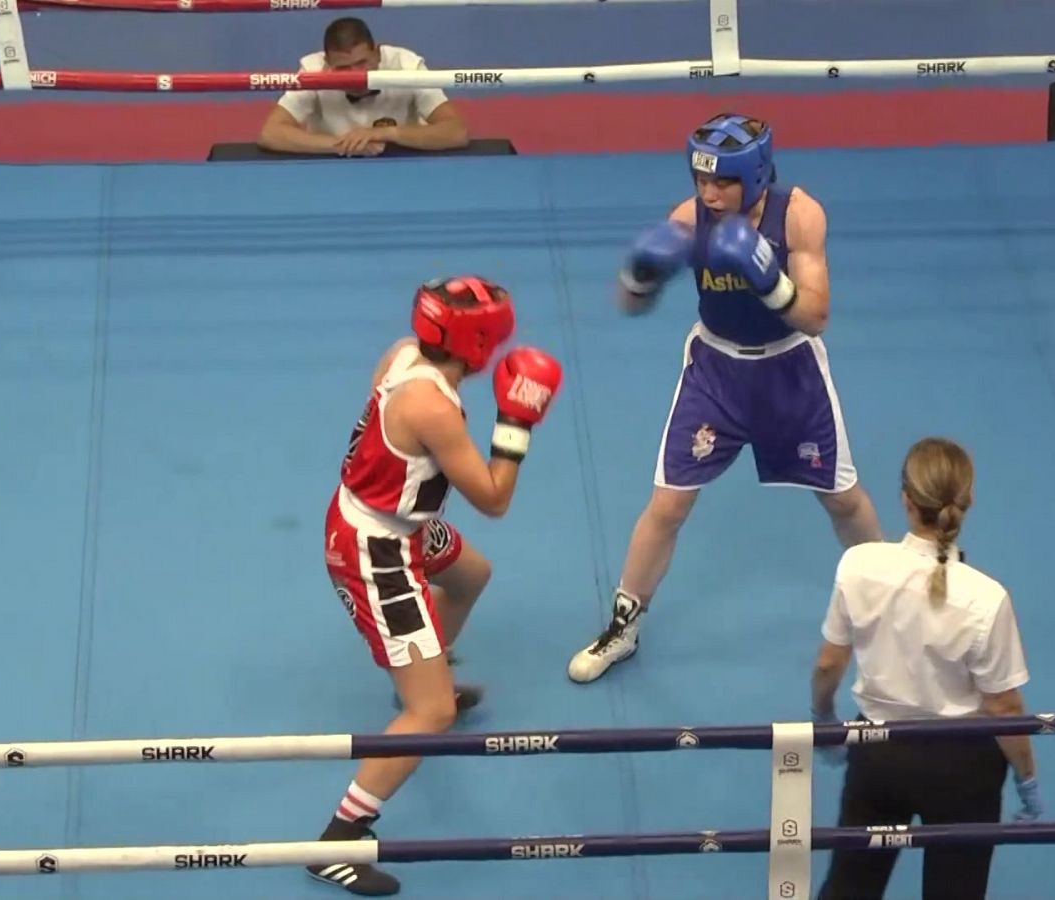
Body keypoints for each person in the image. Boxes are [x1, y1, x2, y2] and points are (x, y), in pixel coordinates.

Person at [566, 112, 883, 684]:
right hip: (715, 370)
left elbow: (816, 316)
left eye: (723, 183)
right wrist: (639, 275)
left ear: (757, 176)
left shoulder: (801, 216)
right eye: (701, 180)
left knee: (842, 499)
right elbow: (630, 307)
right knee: (667, 505)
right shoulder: (689, 221)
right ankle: (623, 625)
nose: (709, 195)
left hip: (790, 369)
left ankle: (891, 599)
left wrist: (769, 279)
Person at [311, 275, 563, 896]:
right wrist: (516, 421)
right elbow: (494, 498)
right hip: (378, 547)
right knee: (435, 712)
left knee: (472, 573)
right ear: (479, 345)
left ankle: (418, 680)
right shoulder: (433, 408)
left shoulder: (403, 352)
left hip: (396, 519)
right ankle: (340, 838)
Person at [809, 437, 1041, 900]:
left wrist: (825, 719)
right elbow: (1004, 706)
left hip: (878, 754)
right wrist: (1027, 777)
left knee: (850, 888)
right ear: (967, 500)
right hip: (964, 768)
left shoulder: (859, 565)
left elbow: (829, 662)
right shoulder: (986, 597)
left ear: (906, 501)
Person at [258, 16, 469, 158]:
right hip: (332, 172)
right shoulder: (314, 71)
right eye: (343, 68)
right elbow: (271, 133)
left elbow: (456, 132)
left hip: (403, 169)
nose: (355, 76)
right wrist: (342, 144)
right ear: (327, 64)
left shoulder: (407, 65)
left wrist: (387, 134)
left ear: (377, 54)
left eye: (362, 63)